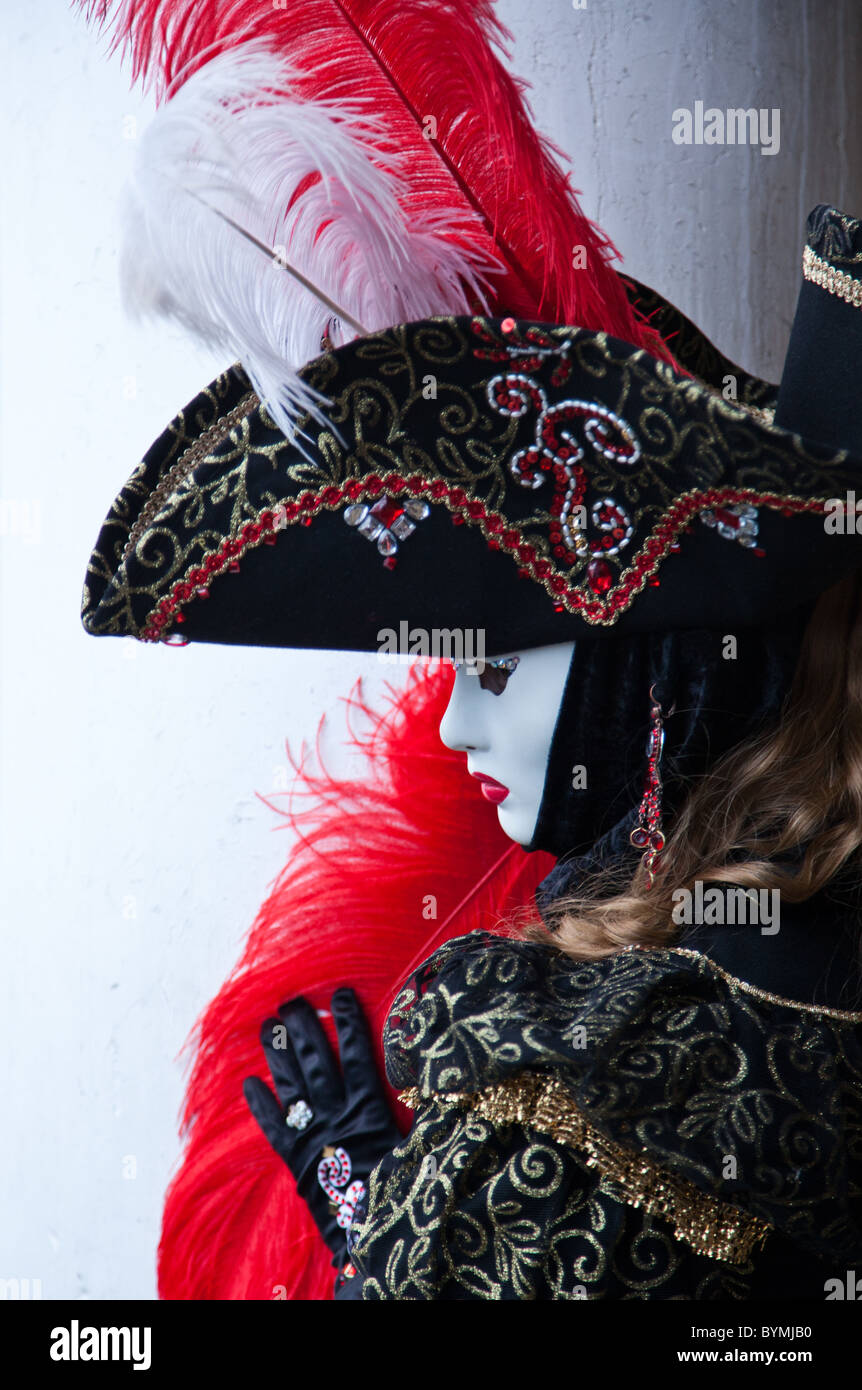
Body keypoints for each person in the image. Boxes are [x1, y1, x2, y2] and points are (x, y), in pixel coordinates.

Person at [82, 198, 862, 1298]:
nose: (452, 725)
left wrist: (378, 1220)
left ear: (656, 675)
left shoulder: (664, 1052)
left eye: (493, 665)